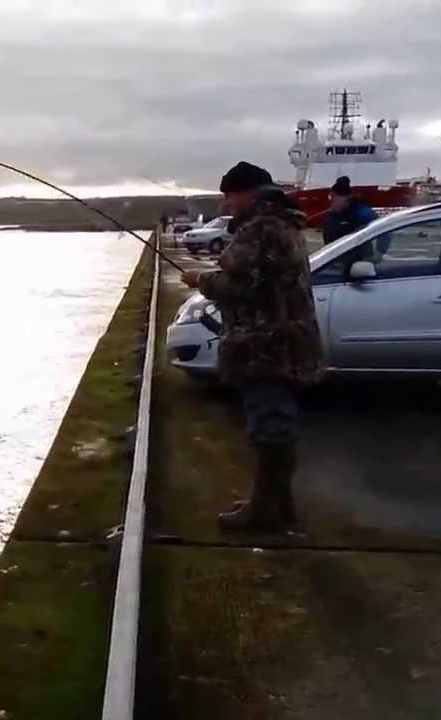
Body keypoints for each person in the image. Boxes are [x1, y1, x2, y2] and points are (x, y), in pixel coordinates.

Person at [180, 161, 325, 533]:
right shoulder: (284, 224)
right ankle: (278, 505)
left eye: (229, 196)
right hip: (283, 340)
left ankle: (264, 513)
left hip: (266, 345)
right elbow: (261, 280)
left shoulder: (261, 229)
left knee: (269, 429)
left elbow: (242, 288)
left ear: (247, 193)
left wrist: (201, 281)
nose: (226, 205)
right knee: (275, 425)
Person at [322, 176, 378, 246]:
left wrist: (380, 251)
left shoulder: (364, 214)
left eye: (333, 199)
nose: (331, 203)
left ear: (346, 198)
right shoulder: (332, 216)